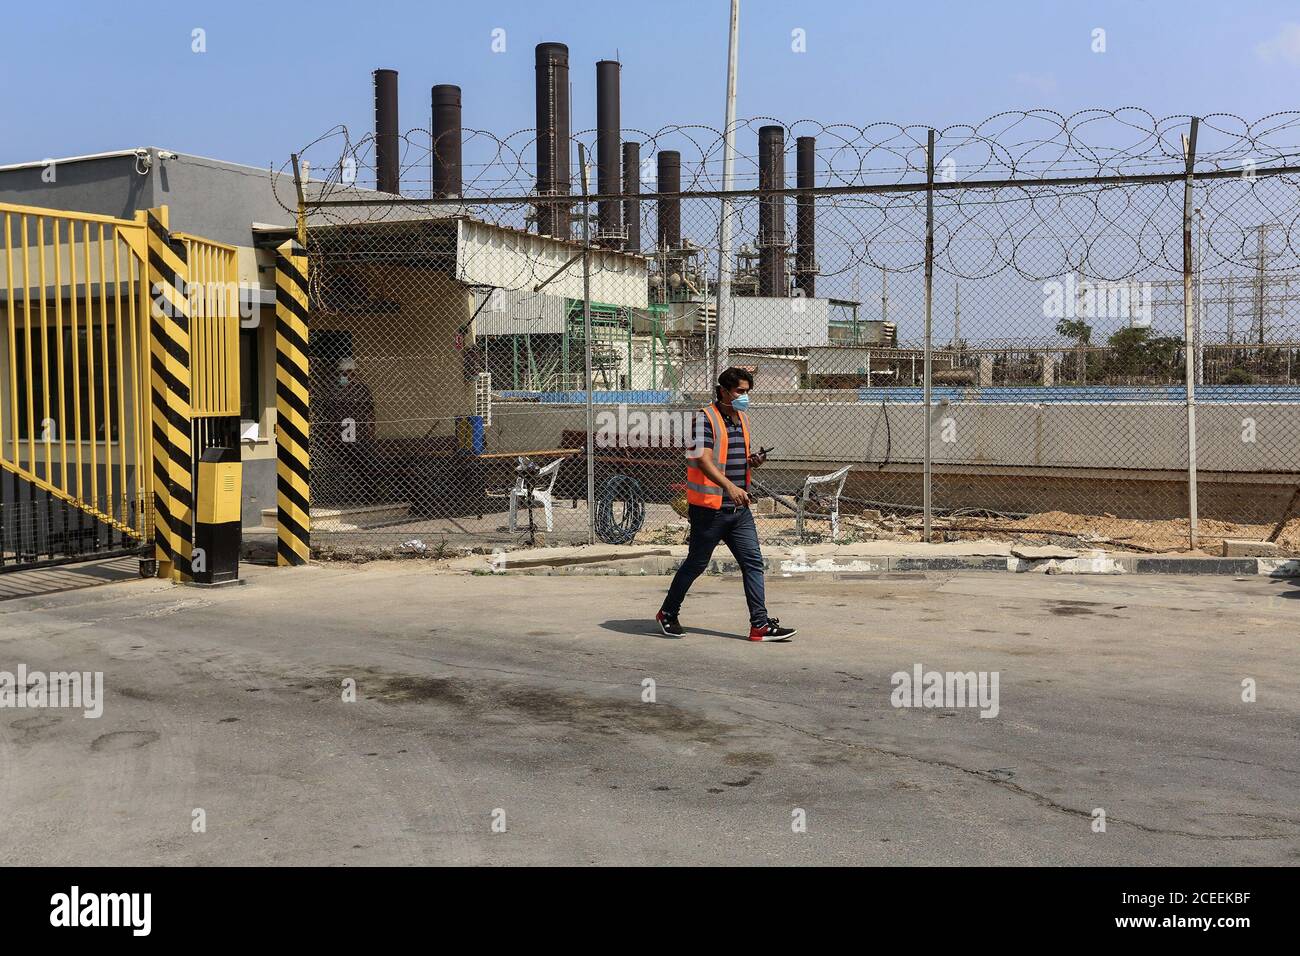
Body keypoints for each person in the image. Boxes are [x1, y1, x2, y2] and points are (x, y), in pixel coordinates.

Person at [656, 367, 796, 642]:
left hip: (738, 510)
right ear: (723, 391)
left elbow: (732, 456)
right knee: (696, 564)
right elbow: (702, 460)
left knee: (753, 563)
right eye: (740, 392)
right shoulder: (704, 419)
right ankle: (668, 613)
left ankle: (759, 625)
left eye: (747, 392)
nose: (745, 397)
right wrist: (729, 486)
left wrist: (752, 461)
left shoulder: (741, 419)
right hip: (710, 508)